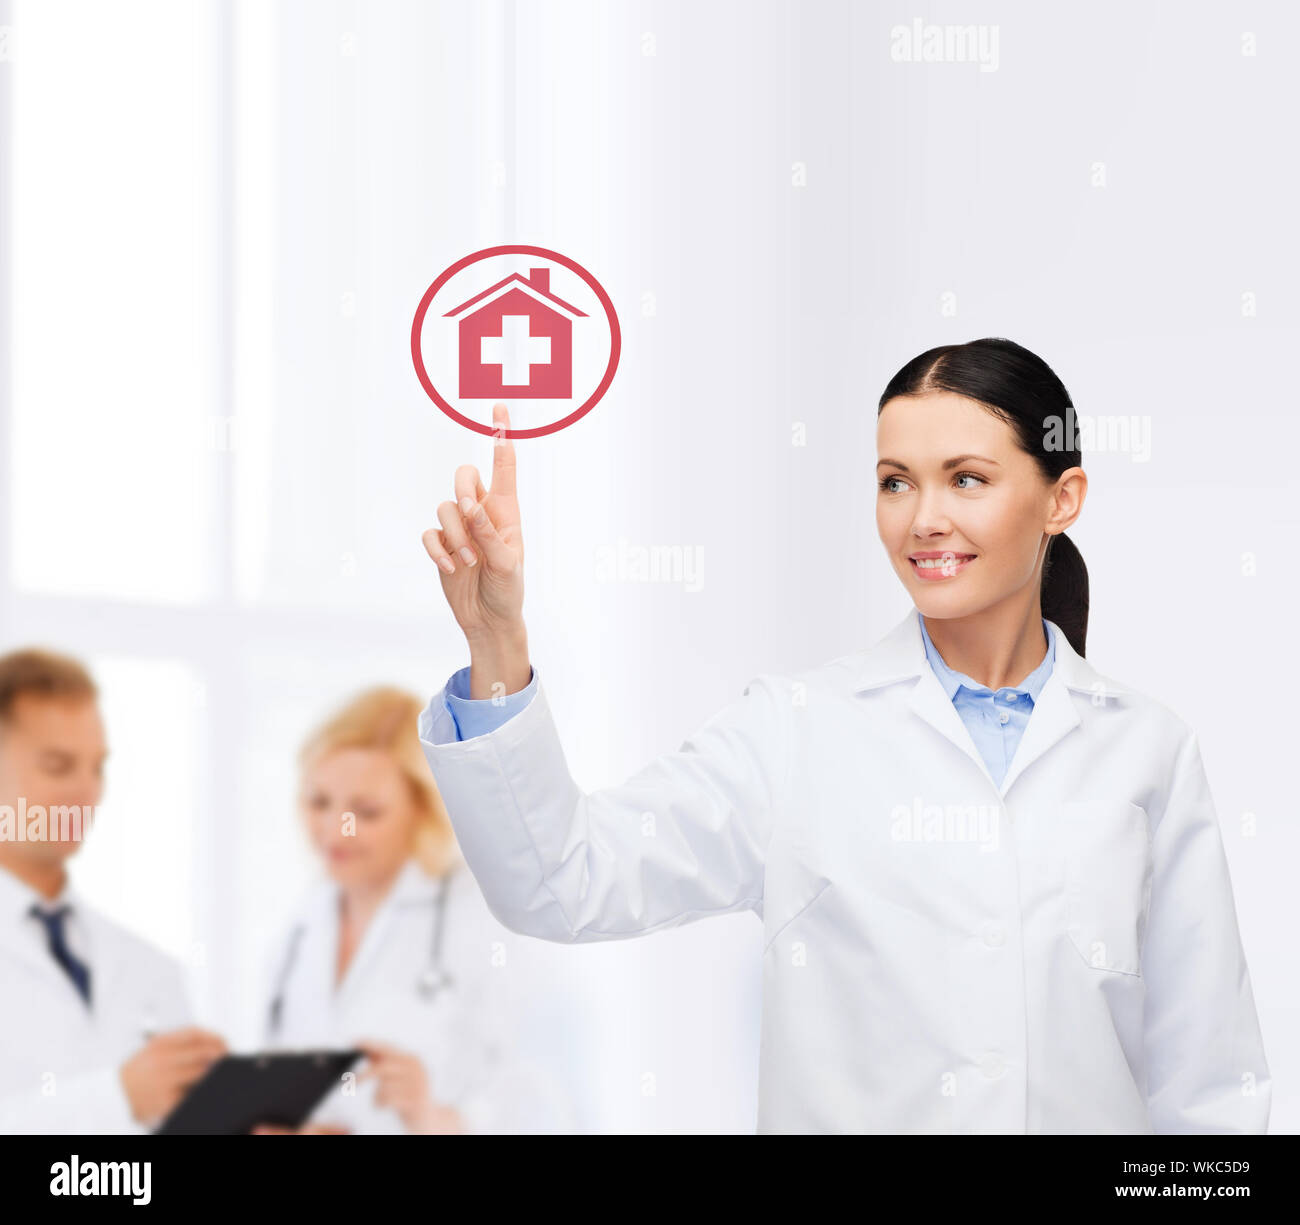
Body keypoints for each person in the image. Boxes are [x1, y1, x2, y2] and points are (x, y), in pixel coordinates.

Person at [414, 340, 1271, 1135]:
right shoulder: (796, 730)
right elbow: (561, 880)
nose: (922, 518)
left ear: (1062, 498)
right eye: (896, 481)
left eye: (966, 479)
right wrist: (497, 648)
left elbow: (1211, 1086)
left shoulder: (1147, 750)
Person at [259, 685, 573, 1134]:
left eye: (366, 812)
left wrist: (431, 1117)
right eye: (318, 802)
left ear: (421, 809)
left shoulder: (483, 913)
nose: (334, 829)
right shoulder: (301, 926)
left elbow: (541, 1102)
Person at [0, 648, 225, 1134]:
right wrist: (116, 1099)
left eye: (97, 767)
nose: (87, 791)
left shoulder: (149, 969)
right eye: (59, 766)